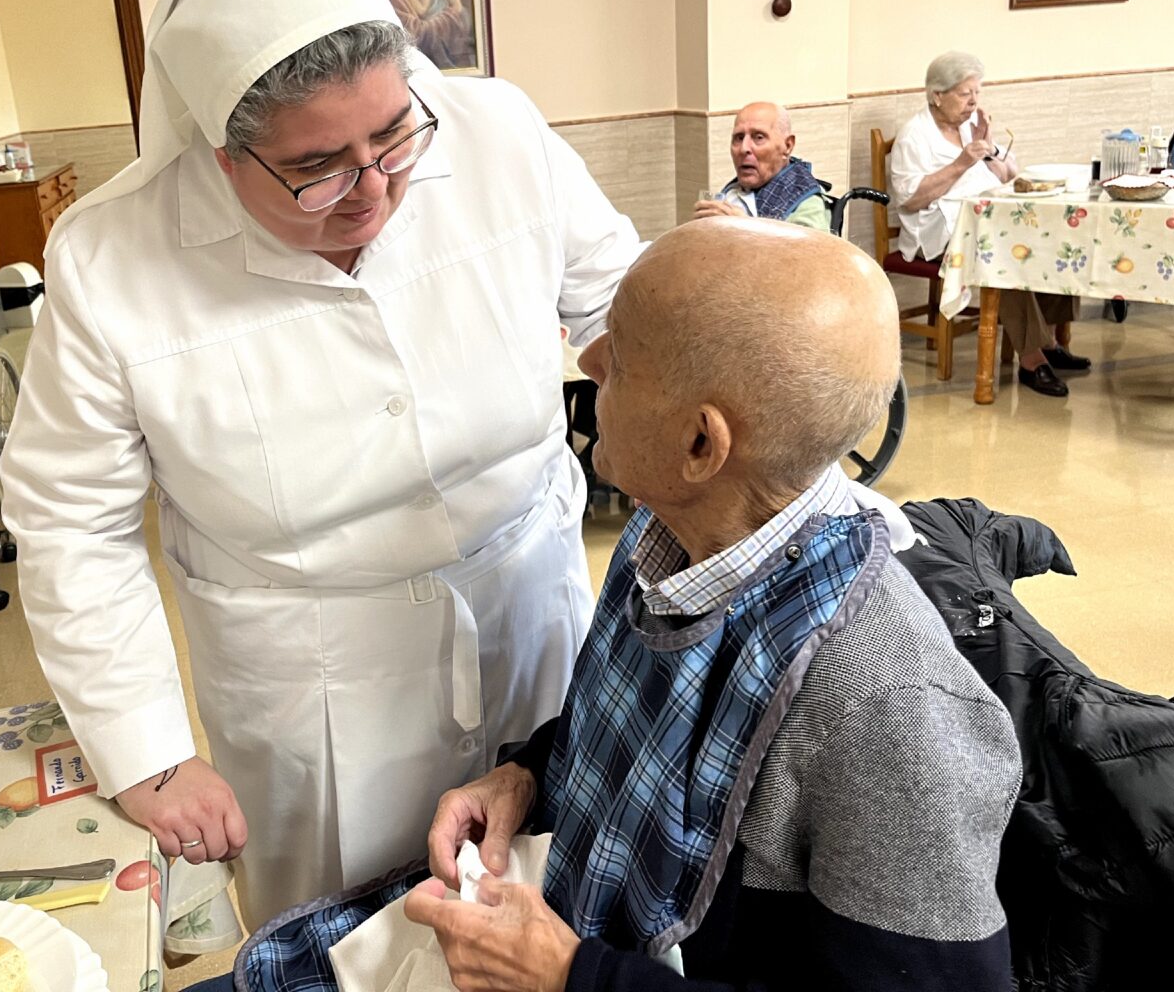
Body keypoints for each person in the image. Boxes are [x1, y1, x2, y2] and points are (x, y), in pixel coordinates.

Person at [0, 0, 642, 928]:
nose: (373, 190)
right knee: (347, 945)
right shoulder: (114, 258)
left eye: (393, 137)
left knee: (560, 912)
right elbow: (73, 521)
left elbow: (626, 316)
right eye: (315, 170)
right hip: (316, 691)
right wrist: (149, 752)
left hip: (531, 619)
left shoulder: (498, 135)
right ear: (221, 155)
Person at [404, 220, 1022, 991]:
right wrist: (531, 774)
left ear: (702, 445)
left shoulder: (883, 702)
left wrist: (574, 976)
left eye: (621, 358)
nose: (591, 361)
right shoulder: (667, 535)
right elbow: (659, 729)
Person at [890, 51, 1088, 397]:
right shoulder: (915, 135)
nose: (973, 102)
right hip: (938, 227)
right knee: (1003, 253)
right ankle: (1032, 358)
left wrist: (991, 150)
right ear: (938, 95)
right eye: (965, 94)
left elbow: (1012, 173)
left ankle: (1051, 340)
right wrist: (962, 163)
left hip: (987, 215)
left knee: (1048, 240)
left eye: (977, 93)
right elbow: (910, 198)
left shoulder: (971, 127)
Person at [692, 102, 829, 230]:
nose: (744, 148)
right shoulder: (732, 192)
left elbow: (811, 254)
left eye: (758, 137)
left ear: (787, 146)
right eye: (739, 138)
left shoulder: (808, 204)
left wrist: (743, 226)